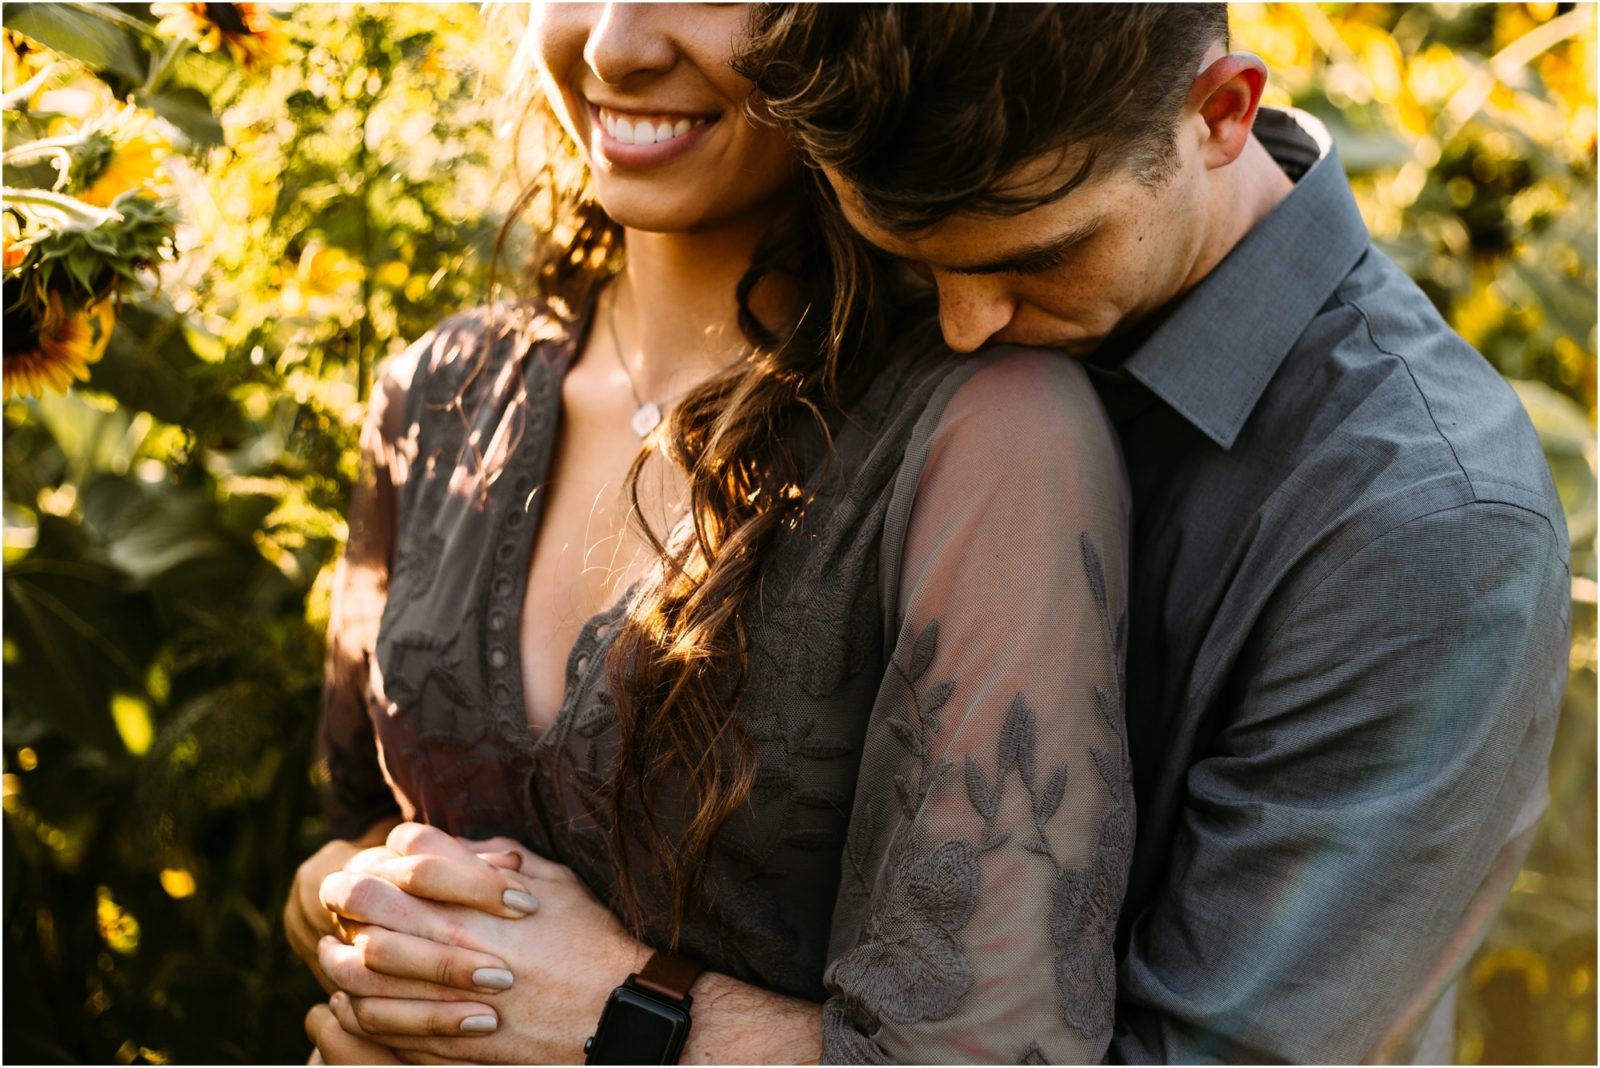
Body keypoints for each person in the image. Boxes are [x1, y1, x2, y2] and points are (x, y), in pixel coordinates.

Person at [287, 3, 1133, 1064]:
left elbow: (1000, 1049)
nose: (613, 46)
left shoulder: (991, 436)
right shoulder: (440, 392)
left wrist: (627, 1024)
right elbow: (349, 828)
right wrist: (358, 915)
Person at [732, 2, 1572, 1063]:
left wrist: (645, 1025)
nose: (960, 327)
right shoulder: (891, 270)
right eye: (911, 260)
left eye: (1040, 255)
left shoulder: (1425, 530)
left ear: (1222, 112)